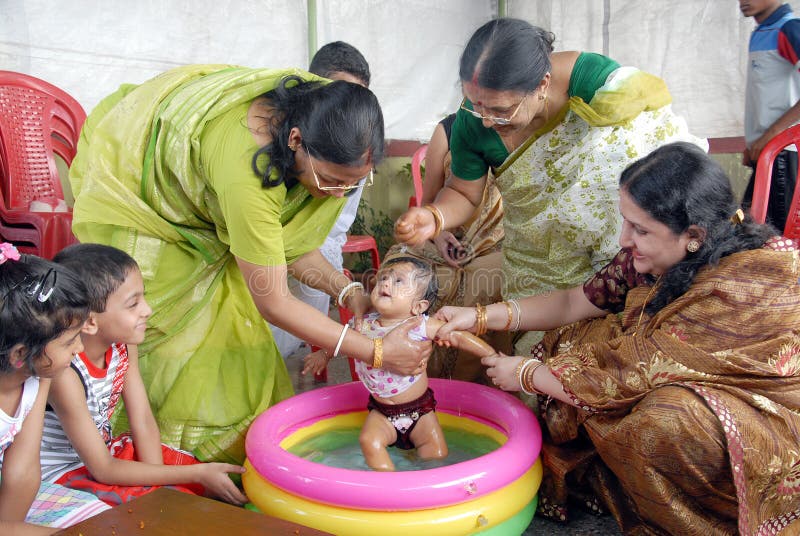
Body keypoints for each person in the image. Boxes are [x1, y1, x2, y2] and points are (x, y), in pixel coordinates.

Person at [68, 65, 431, 465]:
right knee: (177, 338)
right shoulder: (246, 174)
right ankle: (167, 463)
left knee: (243, 345)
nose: (337, 195)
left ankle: (232, 456)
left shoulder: (333, 115)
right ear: (295, 140)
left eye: (354, 184)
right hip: (149, 202)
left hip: (221, 192)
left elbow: (288, 246)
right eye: (332, 181)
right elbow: (273, 301)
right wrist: (376, 352)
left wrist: (349, 292)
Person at [435, 142, 800, 534]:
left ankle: (712, 521)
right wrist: (478, 317)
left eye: (640, 229)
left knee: (666, 418)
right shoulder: (654, 258)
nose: (625, 239)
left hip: (759, 420)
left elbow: (637, 367)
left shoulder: (750, 283)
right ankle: (636, 486)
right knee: (575, 340)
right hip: (665, 379)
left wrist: (528, 373)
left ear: (693, 234)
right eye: (626, 222)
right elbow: (573, 303)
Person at [394, 18, 705, 357]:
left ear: (543, 84)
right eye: (475, 103)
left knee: (620, 346)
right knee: (542, 351)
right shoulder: (473, 120)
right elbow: (464, 192)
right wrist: (435, 217)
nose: (486, 120)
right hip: (539, 258)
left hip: (615, 252)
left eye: (501, 110)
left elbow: (651, 151)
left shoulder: (596, 84)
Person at [41, 244, 246, 506]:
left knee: (199, 483)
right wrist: (175, 485)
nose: (147, 310)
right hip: (67, 473)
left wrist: (163, 486)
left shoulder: (123, 345)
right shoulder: (65, 374)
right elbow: (103, 470)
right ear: (90, 322)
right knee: (180, 498)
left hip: (106, 452)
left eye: (143, 297)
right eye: (133, 304)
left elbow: (143, 420)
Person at [302, 256, 498, 471]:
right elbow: (341, 340)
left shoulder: (419, 325)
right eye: (383, 278)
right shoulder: (363, 323)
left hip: (420, 412)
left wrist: (490, 354)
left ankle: (429, 480)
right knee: (369, 441)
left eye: (398, 281)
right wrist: (324, 354)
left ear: (418, 306)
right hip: (382, 411)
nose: (386, 283)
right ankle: (391, 483)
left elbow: (458, 337)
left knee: (436, 454)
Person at [384, 113, 506, 384]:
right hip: (447, 234)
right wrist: (438, 235)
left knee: (485, 280)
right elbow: (429, 202)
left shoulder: (519, 128)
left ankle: (481, 382)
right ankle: (407, 377)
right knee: (400, 271)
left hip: (498, 242)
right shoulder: (448, 130)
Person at [271, 41, 373, 359]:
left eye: (356, 98)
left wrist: (348, 291)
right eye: (338, 93)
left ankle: (279, 355)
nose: (346, 110)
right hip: (264, 242)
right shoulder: (270, 142)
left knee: (312, 280)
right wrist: (375, 352)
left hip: (317, 242)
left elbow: (322, 234)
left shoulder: (357, 155)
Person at [0, 244, 110, 535]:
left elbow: (23, 470)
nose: (79, 348)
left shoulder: (35, 378)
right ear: (20, 354)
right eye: (70, 341)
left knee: (103, 520)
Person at [739, 0, 800, 232]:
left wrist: (770, 136)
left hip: (784, 152)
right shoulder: (761, 32)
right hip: (766, 151)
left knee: (776, 236)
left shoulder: (789, 29)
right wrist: (754, 143)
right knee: (746, 225)